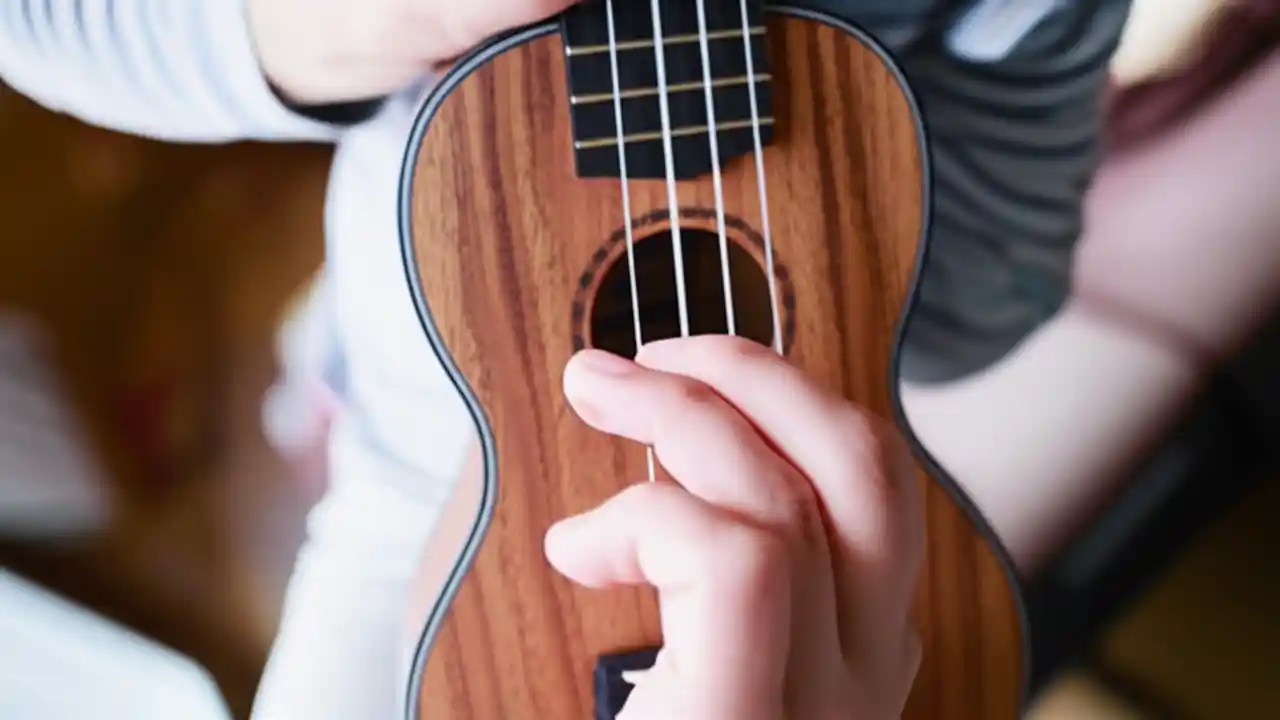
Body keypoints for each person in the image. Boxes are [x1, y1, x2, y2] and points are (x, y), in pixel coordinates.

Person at [0, 0, 1134, 717]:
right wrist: (334, 21)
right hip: (407, 471)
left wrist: (844, 204)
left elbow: (986, 293)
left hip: (802, 488)